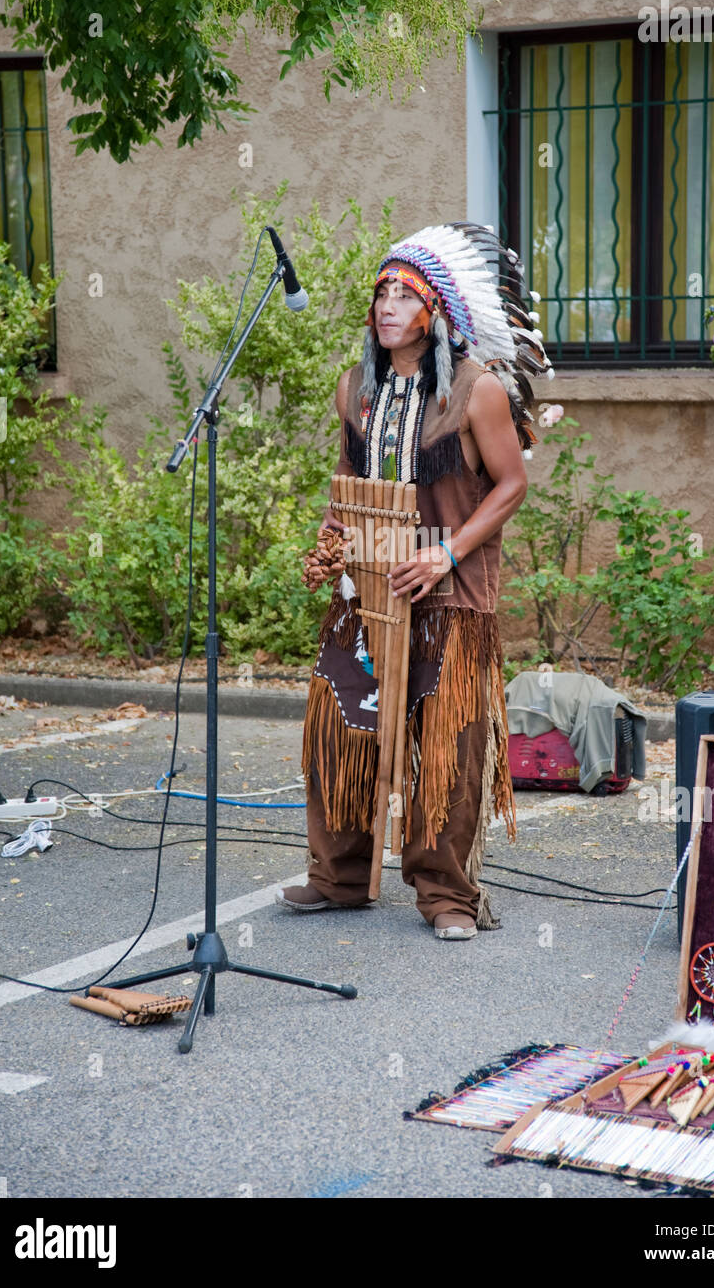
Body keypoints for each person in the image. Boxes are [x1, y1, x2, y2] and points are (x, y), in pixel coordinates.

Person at [276, 223, 551, 938]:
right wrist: (331, 543)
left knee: (448, 748)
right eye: (381, 292)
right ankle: (338, 876)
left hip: (449, 591)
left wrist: (446, 554)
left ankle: (447, 895)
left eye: (407, 293)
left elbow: (511, 485)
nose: (390, 304)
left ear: (438, 312)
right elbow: (349, 483)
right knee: (340, 720)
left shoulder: (476, 392)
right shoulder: (355, 391)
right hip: (367, 586)